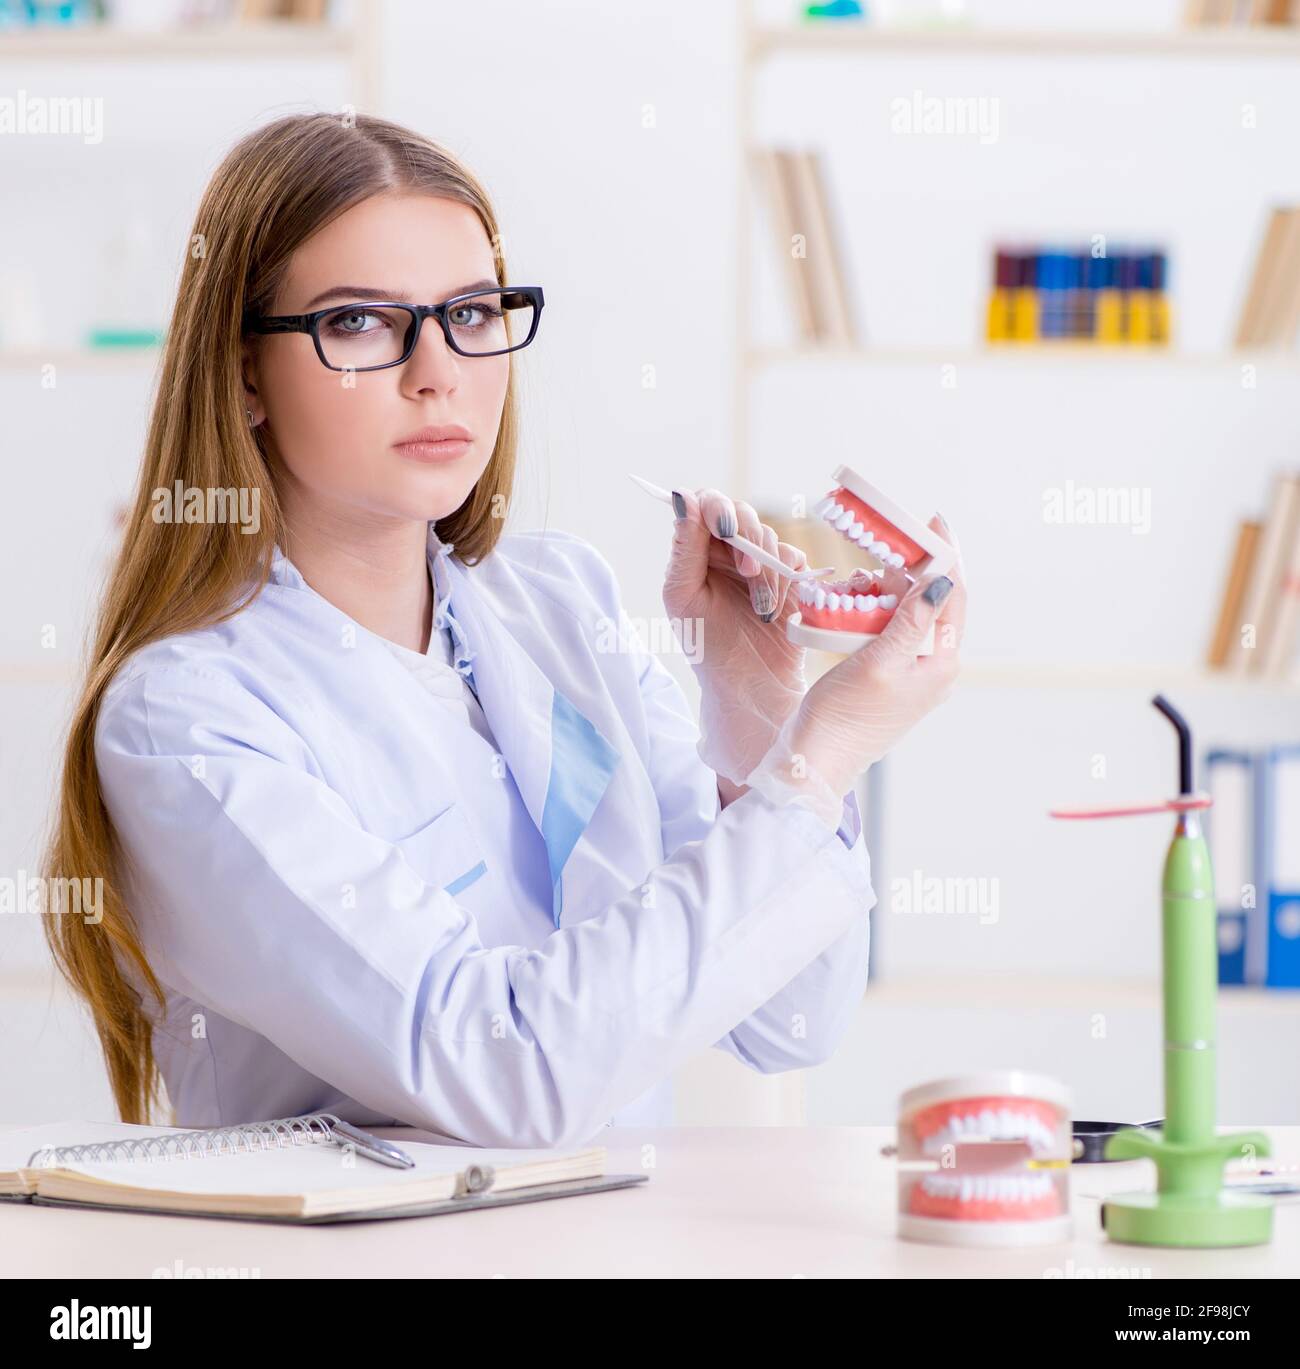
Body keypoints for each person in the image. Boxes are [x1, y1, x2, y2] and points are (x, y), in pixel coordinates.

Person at [43, 113, 964, 1148]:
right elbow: (506, 1070)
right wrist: (826, 759)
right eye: (358, 323)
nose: (436, 371)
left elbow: (789, 1019)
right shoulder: (189, 718)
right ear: (245, 372)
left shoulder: (556, 603)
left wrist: (758, 715)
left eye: (472, 313)